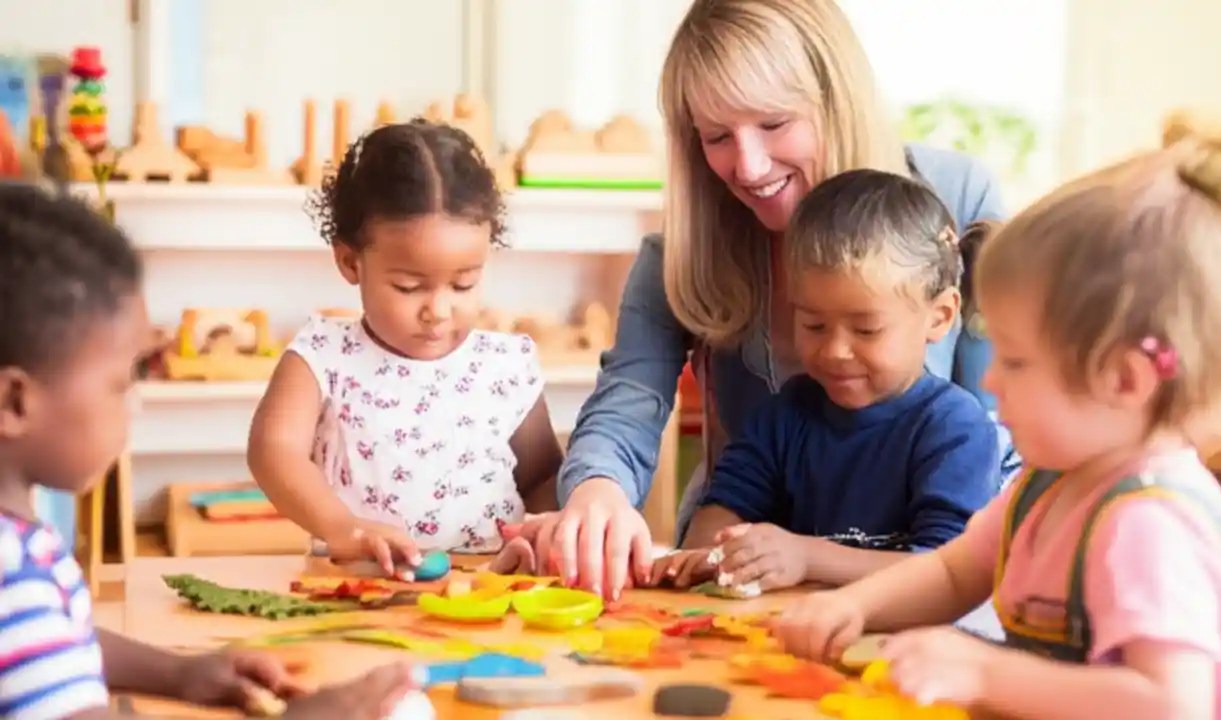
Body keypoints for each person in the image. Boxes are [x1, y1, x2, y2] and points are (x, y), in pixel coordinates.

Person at [773, 115, 1221, 719]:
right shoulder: (1047, 483)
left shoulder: (1148, 523)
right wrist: (855, 605)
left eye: (1015, 360)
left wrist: (984, 672)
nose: (988, 378)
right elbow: (956, 570)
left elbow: (1171, 704)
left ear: (1123, 379)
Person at [534, 0, 1015, 600]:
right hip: (745, 583)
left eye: (774, 123)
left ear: (834, 99)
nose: (749, 165)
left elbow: (1000, 448)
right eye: (716, 136)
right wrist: (598, 492)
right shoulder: (687, 253)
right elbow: (628, 408)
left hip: (916, 591)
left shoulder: (957, 197)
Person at [0, 182, 417, 719]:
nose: (136, 405)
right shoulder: (13, 577)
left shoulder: (18, 561)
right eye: (121, 380)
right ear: (14, 401)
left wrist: (179, 673)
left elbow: (56, 643)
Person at [645, 169, 1000, 592]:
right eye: (813, 325)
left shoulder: (956, 430)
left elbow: (947, 571)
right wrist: (706, 556)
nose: (834, 351)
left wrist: (806, 557)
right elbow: (727, 506)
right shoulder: (786, 414)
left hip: (905, 650)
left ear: (940, 316)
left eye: (866, 330)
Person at [249, 120, 562, 577]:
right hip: (361, 584)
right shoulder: (323, 357)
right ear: (350, 261)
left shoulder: (504, 367)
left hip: (488, 588)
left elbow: (542, 475)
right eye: (409, 286)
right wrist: (343, 528)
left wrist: (548, 528)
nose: (438, 309)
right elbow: (273, 451)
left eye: (463, 284)